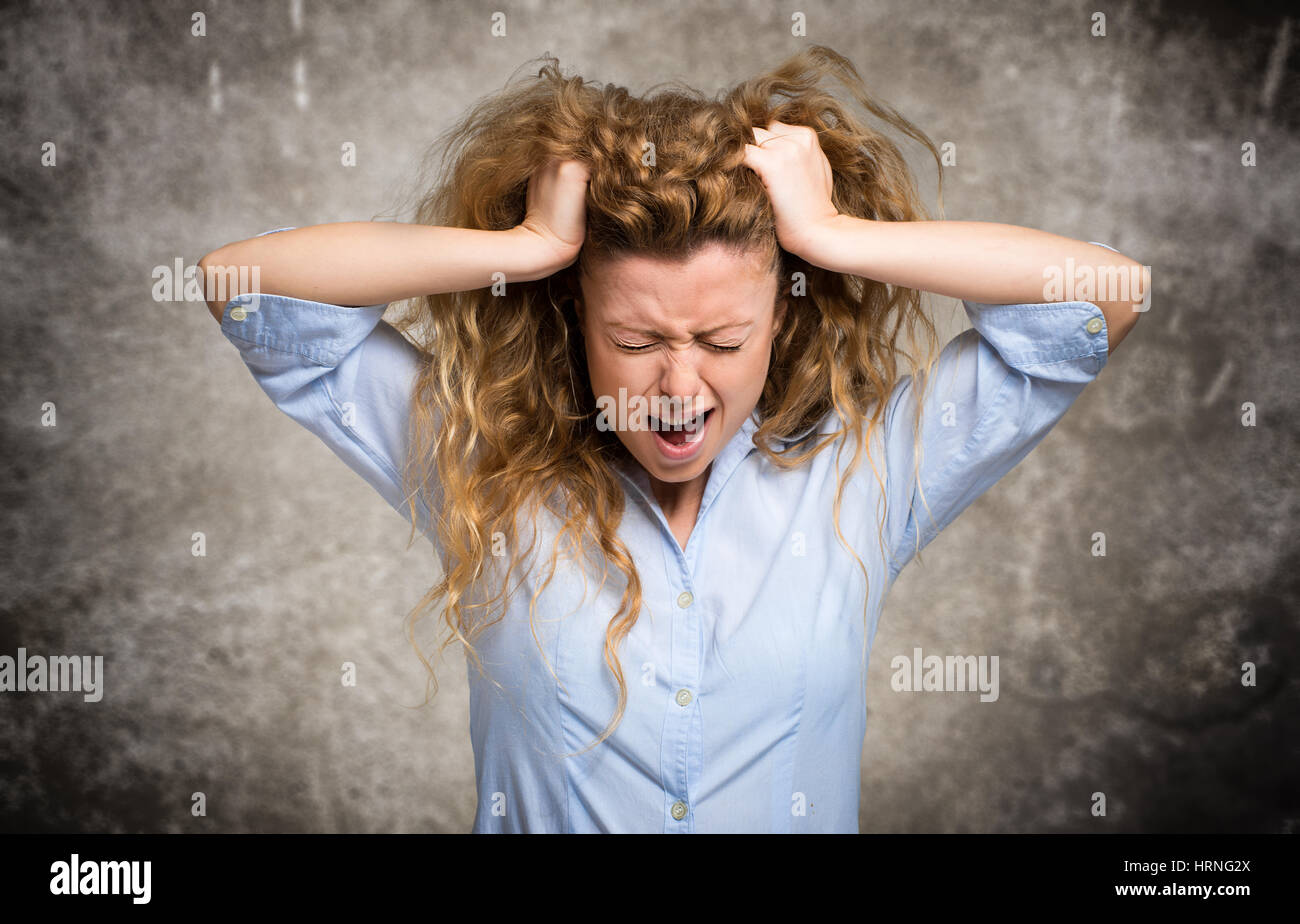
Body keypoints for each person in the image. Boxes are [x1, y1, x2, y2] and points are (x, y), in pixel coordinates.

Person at [198, 45, 1147, 833]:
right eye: (638, 340)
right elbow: (244, 284)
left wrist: (832, 235)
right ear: (576, 317)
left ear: (780, 318)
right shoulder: (487, 468)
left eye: (724, 341)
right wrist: (525, 249)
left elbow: (1108, 294)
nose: (680, 388)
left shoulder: (863, 473)